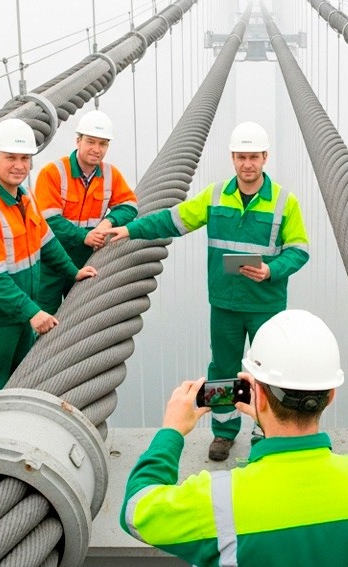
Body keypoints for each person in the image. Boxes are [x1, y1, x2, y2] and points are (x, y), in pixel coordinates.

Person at [120, 310, 348, 567]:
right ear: (331, 396)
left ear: (258, 395)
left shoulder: (217, 502)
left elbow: (136, 510)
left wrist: (172, 430)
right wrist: (268, 424)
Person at [106, 121, 309, 461]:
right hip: (225, 303)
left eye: (254, 157)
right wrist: (130, 230)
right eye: (242, 157)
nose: (248, 164)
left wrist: (272, 270)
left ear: (265, 158)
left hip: (266, 304)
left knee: (267, 370)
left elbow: (299, 249)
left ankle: (264, 430)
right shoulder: (215, 196)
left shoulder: (284, 203)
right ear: (232, 158)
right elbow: (172, 220)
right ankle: (224, 433)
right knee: (223, 370)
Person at [0, 118, 96, 405]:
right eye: (11, 158)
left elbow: (47, 242)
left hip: (18, 314)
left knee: (22, 383)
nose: (19, 166)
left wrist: (74, 272)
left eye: (25, 158)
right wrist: (33, 312)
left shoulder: (23, 196)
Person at [34, 110, 138, 314]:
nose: (96, 149)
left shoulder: (110, 174)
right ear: (78, 141)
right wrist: (84, 236)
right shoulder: (53, 173)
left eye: (103, 144)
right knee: (44, 323)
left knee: (79, 321)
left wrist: (107, 223)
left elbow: (129, 205)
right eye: (90, 142)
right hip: (51, 264)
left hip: (87, 262)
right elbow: (49, 220)